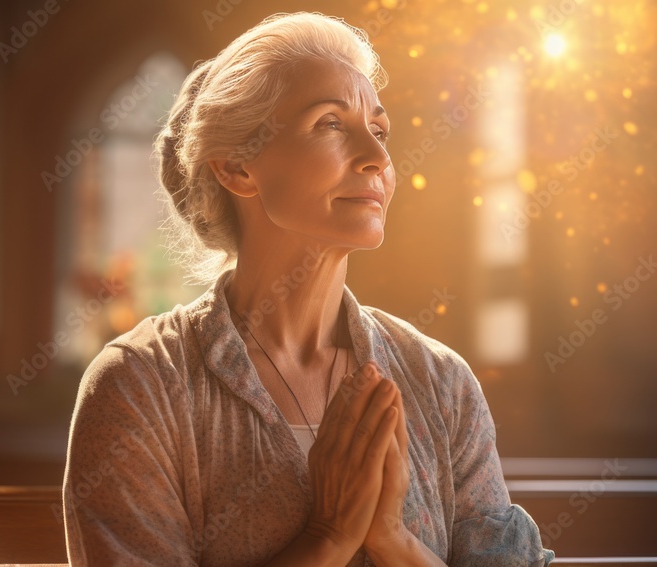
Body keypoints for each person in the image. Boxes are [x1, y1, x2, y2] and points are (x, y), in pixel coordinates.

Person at [62, 12, 555, 566]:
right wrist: (329, 534)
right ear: (237, 167)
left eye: (379, 131)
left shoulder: (442, 383)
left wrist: (394, 541)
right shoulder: (140, 386)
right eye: (330, 124)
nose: (378, 159)